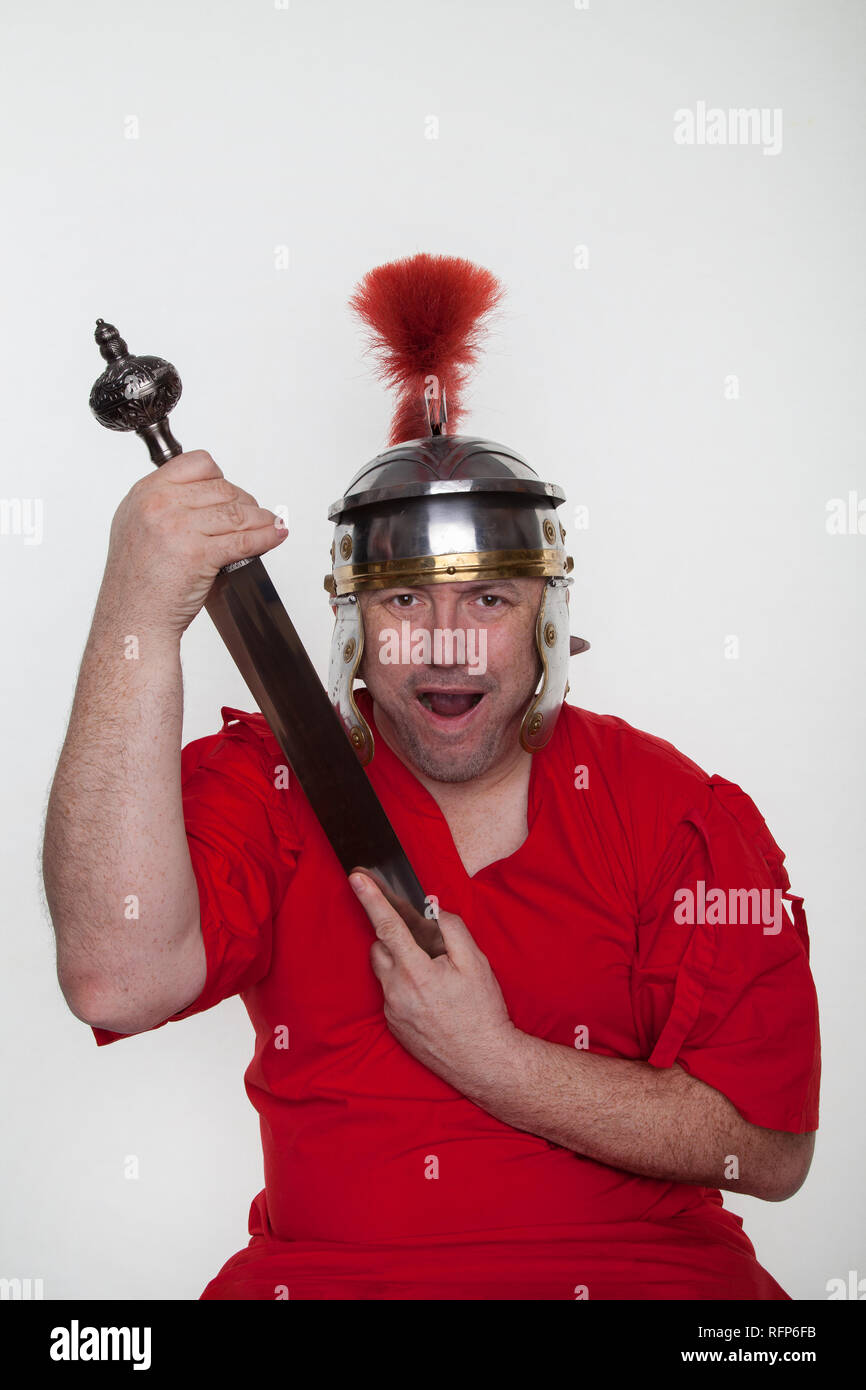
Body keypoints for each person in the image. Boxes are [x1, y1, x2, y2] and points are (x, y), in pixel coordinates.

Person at [43, 254, 820, 1300]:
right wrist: (134, 610)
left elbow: (768, 1150)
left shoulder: (677, 813)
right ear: (352, 627)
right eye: (404, 602)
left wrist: (494, 1060)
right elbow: (117, 980)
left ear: (548, 622)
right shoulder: (265, 783)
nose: (445, 644)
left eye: (489, 600)